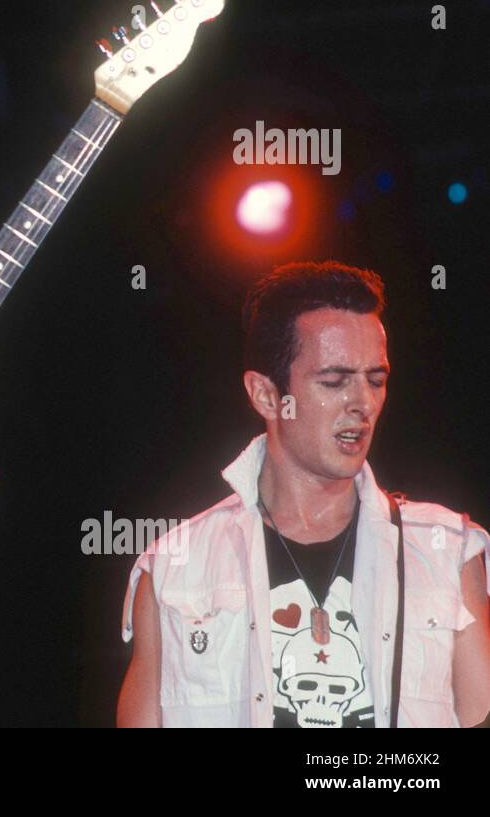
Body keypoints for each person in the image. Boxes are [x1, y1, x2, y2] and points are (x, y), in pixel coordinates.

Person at [117, 261, 490, 727]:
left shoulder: (446, 549)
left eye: (376, 379)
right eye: (334, 381)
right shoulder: (174, 566)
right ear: (266, 396)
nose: (363, 403)